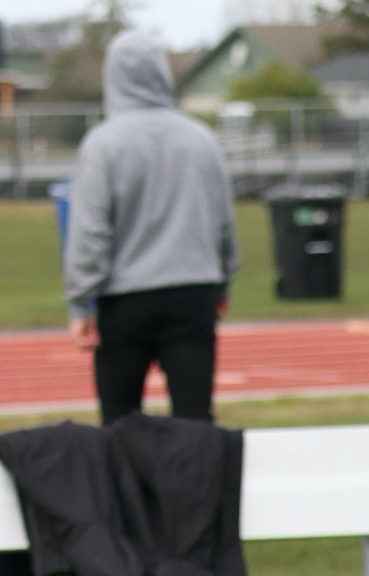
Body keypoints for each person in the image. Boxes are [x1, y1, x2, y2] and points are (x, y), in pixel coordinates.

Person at [64, 29, 240, 424]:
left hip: (125, 298)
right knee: (195, 423)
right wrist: (223, 281)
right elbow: (223, 220)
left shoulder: (103, 143)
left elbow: (91, 231)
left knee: (120, 423)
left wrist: (81, 300)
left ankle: (128, 487)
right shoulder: (201, 139)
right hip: (193, 290)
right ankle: (194, 487)